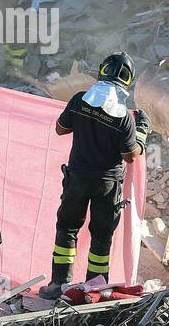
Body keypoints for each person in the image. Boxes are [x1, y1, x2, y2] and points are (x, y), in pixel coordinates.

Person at [40, 53, 150, 299]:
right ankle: (95, 289)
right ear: (127, 82)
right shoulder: (123, 118)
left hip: (76, 179)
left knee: (67, 229)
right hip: (107, 185)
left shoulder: (79, 101)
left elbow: (60, 129)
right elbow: (130, 156)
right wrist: (141, 132)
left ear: (101, 71)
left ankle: (59, 284)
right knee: (102, 237)